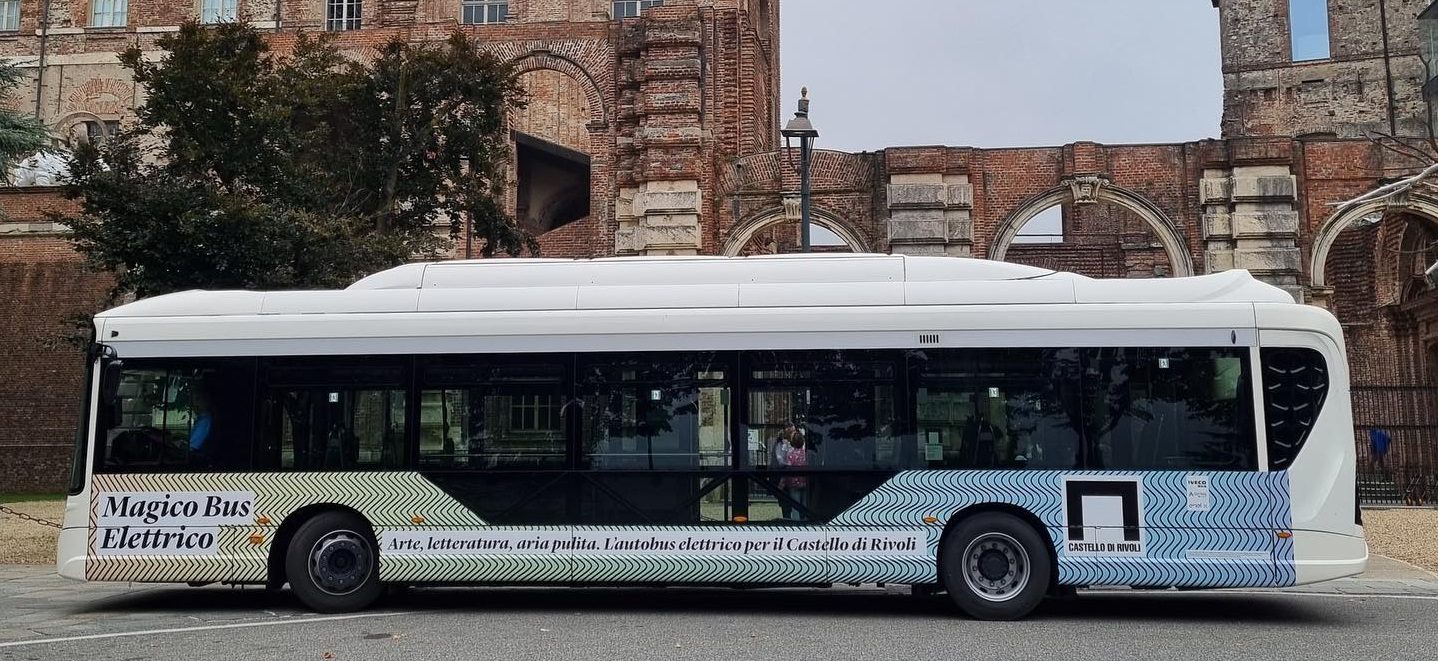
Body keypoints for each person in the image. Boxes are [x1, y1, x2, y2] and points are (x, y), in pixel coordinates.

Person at [778, 429, 815, 521]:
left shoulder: (790, 454)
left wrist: (781, 484)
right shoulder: (808, 454)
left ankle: (797, 521)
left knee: (795, 504)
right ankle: (806, 519)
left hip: (793, 483)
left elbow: (788, 469)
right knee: (805, 503)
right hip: (806, 481)